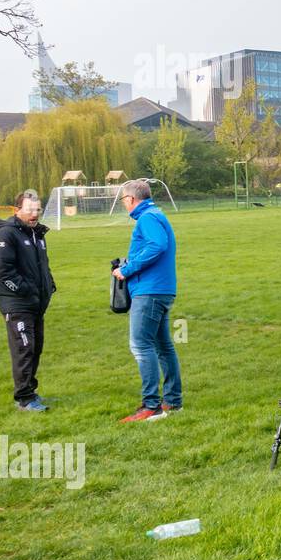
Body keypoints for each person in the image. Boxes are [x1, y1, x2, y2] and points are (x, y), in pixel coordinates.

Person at [113, 179, 182, 422]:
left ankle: (151, 406)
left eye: (123, 200)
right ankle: (173, 401)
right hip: (161, 289)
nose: (123, 204)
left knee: (141, 346)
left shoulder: (147, 218)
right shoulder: (156, 214)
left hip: (149, 291)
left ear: (131, 199)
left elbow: (157, 245)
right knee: (164, 346)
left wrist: (128, 268)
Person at [0, 189, 56, 412]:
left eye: (37, 209)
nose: (34, 213)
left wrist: (50, 284)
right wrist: (25, 290)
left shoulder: (37, 234)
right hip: (17, 304)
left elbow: (42, 266)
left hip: (37, 303)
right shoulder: (6, 235)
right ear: (18, 209)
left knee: (35, 348)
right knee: (24, 349)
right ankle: (24, 399)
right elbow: (3, 271)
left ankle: (31, 392)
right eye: (30, 209)